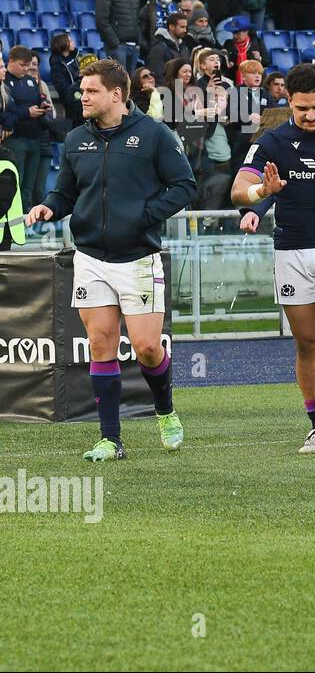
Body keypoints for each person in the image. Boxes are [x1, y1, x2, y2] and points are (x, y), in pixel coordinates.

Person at [27, 60, 196, 460]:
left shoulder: (154, 134)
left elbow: (184, 186)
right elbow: (66, 194)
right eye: (82, 90)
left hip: (138, 257)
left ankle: (165, 409)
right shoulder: (75, 139)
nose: (82, 97)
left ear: (116, 94)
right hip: (89, 257)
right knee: (100, 343)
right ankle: (110, 439)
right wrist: (50, 207)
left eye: (91, 91)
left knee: (147, 347)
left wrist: (143, 215)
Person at [231, 63, 315, 455]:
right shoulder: (273, 140)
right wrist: (262, 192)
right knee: (308, 342)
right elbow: (239, 190)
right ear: (289, 101)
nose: (310, 116)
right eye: (302, 108)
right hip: (291, 249)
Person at [1, 47, 55, 215]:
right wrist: (26, 112)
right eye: (22, 65)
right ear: (11, 61)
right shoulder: (4, 83)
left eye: (28, 65)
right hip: (15, 139)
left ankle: (27, 217)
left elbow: (37, 100)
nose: (26, 69)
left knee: (29, 185)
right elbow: (6, 112)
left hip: (35, 138)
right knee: (16, 181)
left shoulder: (31, 81)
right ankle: (13, 216)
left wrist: (42, 106)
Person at [95, 0, 146, 71]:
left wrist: (139, 41)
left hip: (134, 45)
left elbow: (137, 19)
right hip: (117, 46)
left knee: (131, 79)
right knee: (119, 78)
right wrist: (115, 43)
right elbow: (101, 20)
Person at [148, 11, 191, 79]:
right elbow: (156, 74)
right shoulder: (159, 48)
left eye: (185, 27)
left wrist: (179, 85)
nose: (185, 30)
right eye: (182, 27)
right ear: (171, 27)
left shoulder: (184, 47)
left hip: (179, 85)